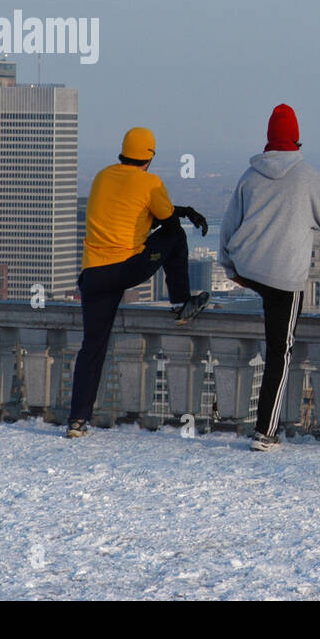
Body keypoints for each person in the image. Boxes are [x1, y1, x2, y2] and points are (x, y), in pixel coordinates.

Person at [219, 104, 320, 451]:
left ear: (268, 139)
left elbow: (229, 226)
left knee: (273, 341)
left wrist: (230, 268)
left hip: (250, 268)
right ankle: (266, 432)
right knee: (281, 350)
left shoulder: (250, 176)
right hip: (283, 277)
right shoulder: (308, 177)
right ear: (296, 139)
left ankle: (265, 426)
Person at [67, 127, 210, 438]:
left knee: (92, 348)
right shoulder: (149, 182)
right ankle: (181, 303)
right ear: (150, 157)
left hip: (93, 275)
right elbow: (169, 225)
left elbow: (131, 211)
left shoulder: (103, 177)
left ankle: (77, 420)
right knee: (177, 237)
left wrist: (178, 211)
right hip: (127, 267)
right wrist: (186, 213)